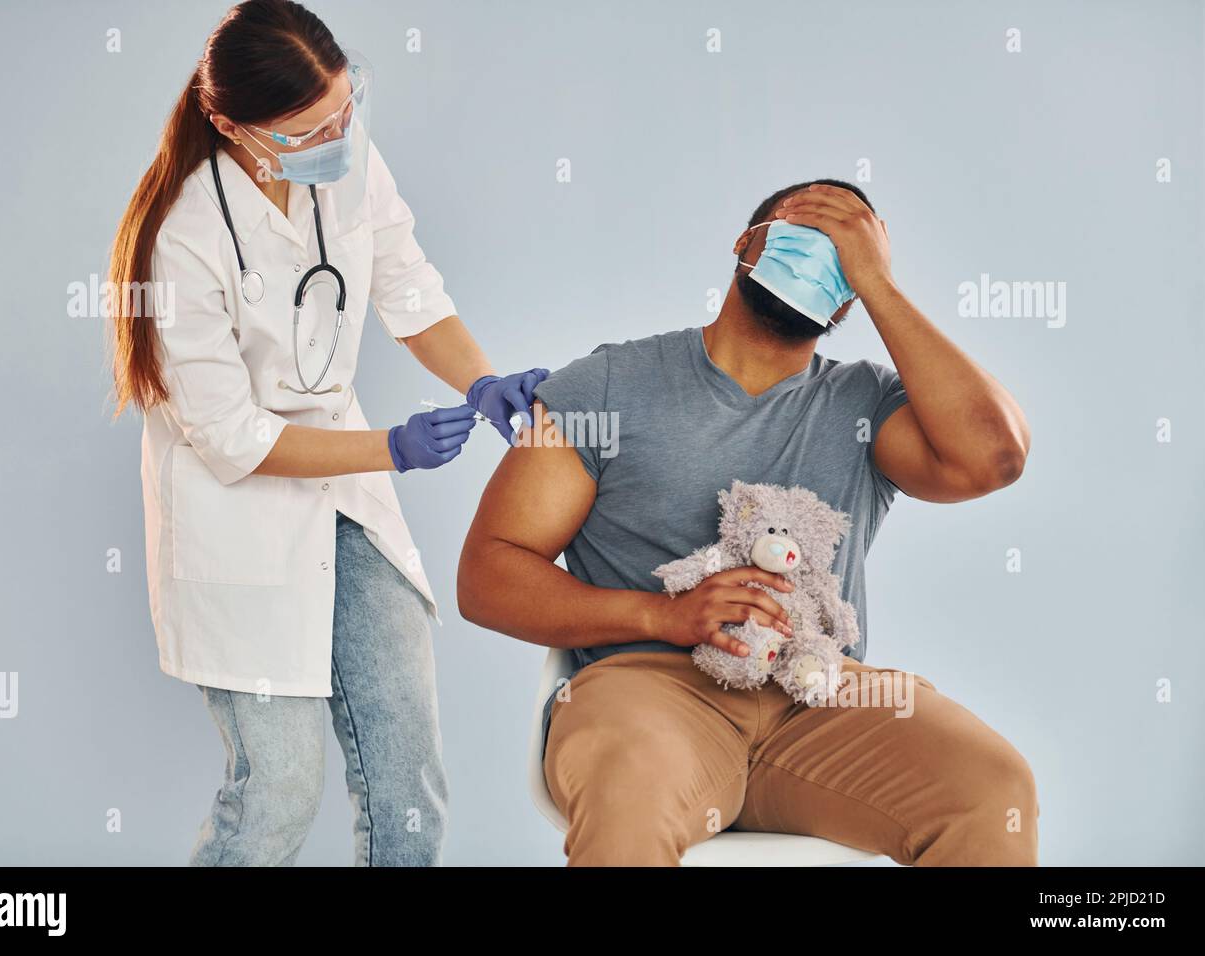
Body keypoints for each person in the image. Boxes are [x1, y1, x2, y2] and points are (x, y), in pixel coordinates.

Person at [458, 179, 1038, 866]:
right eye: (799, 234)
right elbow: (488, 575)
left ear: (851, 295)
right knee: (629, 794)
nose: (816, 257)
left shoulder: (868, 405)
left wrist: (878, 283)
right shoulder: (609, 385)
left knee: (991, 788)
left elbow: (994, 458)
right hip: (649, 691)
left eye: (842, 254)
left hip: (821, 697)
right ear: (745, 245)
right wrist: (660, 616)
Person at [108, 0, 547, 866]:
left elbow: (411, 292)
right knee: (279, 791)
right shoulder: (183, 238)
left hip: (347, 499)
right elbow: (233, 437)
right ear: (234, 125)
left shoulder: (349, 166)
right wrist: (391, 447)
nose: (340, 135)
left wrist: (483, 380)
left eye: (347, 110)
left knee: (407, 780)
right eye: (313, 127)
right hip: (239, 514)